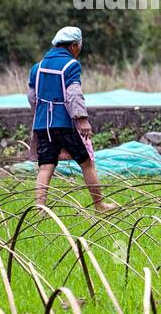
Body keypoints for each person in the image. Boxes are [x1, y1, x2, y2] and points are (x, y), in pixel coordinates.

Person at [27, 26, 117, 211]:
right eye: (79, 47)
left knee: (45, 166)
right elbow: (73, 94)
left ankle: (40, 209)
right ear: (74, 46)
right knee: (86, 164)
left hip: (42, 124)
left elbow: (32, 96)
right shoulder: (71, 65)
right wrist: (82, 119)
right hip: (65, 124)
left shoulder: (38, 67)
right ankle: (99, 205)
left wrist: (42, 113)